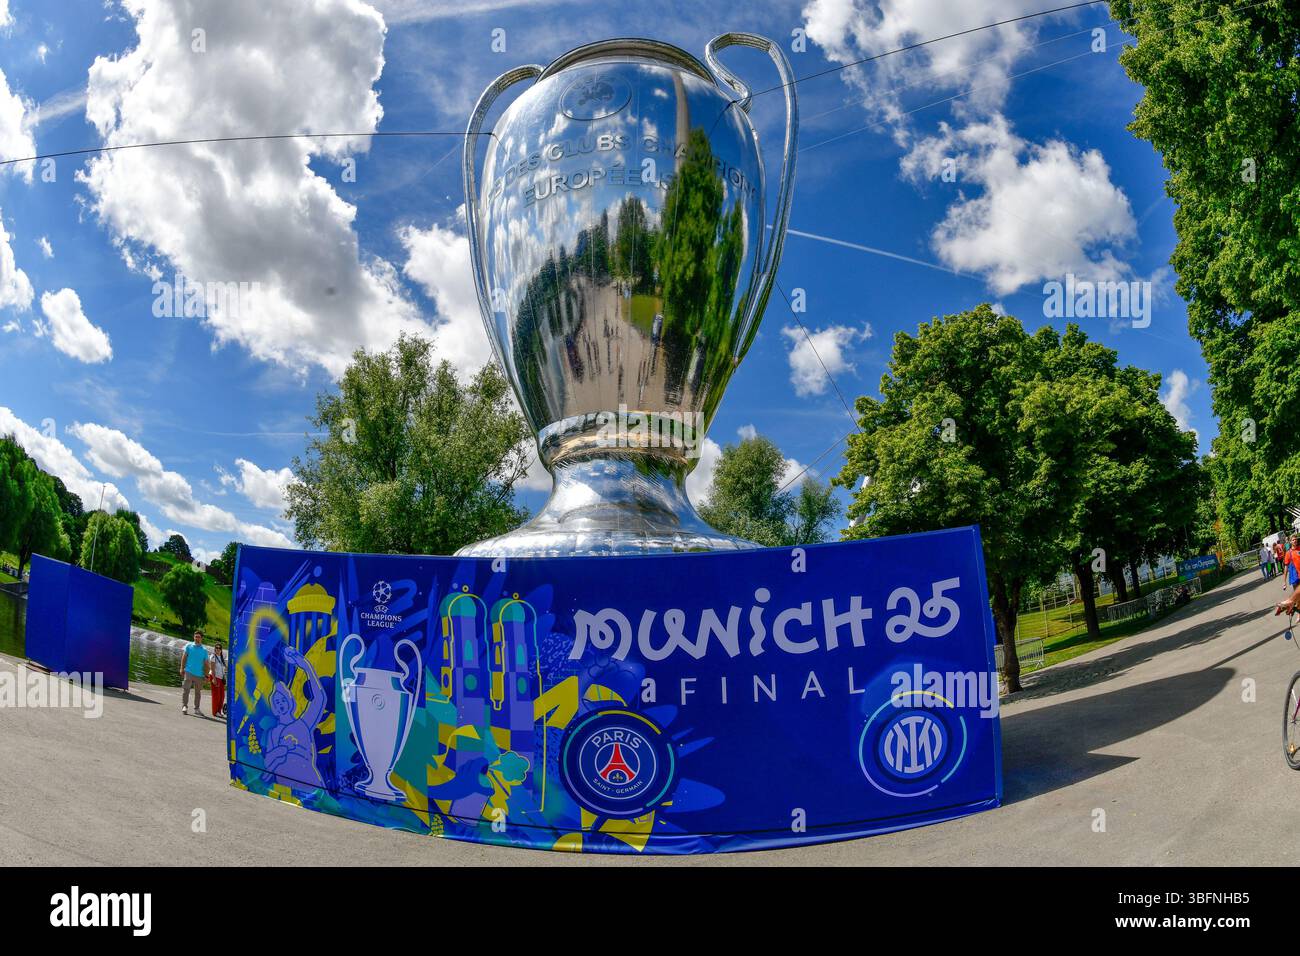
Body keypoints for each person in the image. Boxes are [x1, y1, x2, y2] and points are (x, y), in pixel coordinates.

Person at [180, 631, 210, 716]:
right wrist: (182, 668)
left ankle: (197, 708)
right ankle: (184, 706)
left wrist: (207, 675)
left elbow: (207, 663)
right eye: (195, 636)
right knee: (186, 690)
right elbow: (184, 657)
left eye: (198, 637)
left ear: (201, 638)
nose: (197, 638)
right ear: (194, 637)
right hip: (189, 671)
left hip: (199, 674)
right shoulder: (189, 646)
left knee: (198, 692)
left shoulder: (204, 650)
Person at [1275, 535, 1300, 616]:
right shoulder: (1288, 553)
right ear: (1290, 542)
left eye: (1296, 539)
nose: (1295, 541)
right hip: (1296, 577)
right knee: (1298, 595)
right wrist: (1284, 581)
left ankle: (1289, 605)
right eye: (1293, 540)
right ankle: (1290, 605)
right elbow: (1286, 567)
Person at [209, 643, 227, 718]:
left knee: (222, 696)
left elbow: (225, 668)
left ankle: (219, 711)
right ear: (215, 649)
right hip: (215, 677)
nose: (218, 649)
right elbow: (212, 669)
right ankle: (215, 712)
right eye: (216, 648)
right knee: (216, 696)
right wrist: (214, 679)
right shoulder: (213, 656)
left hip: (221, 678)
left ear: (221, 650)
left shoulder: (221, 657)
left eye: (219, 648)